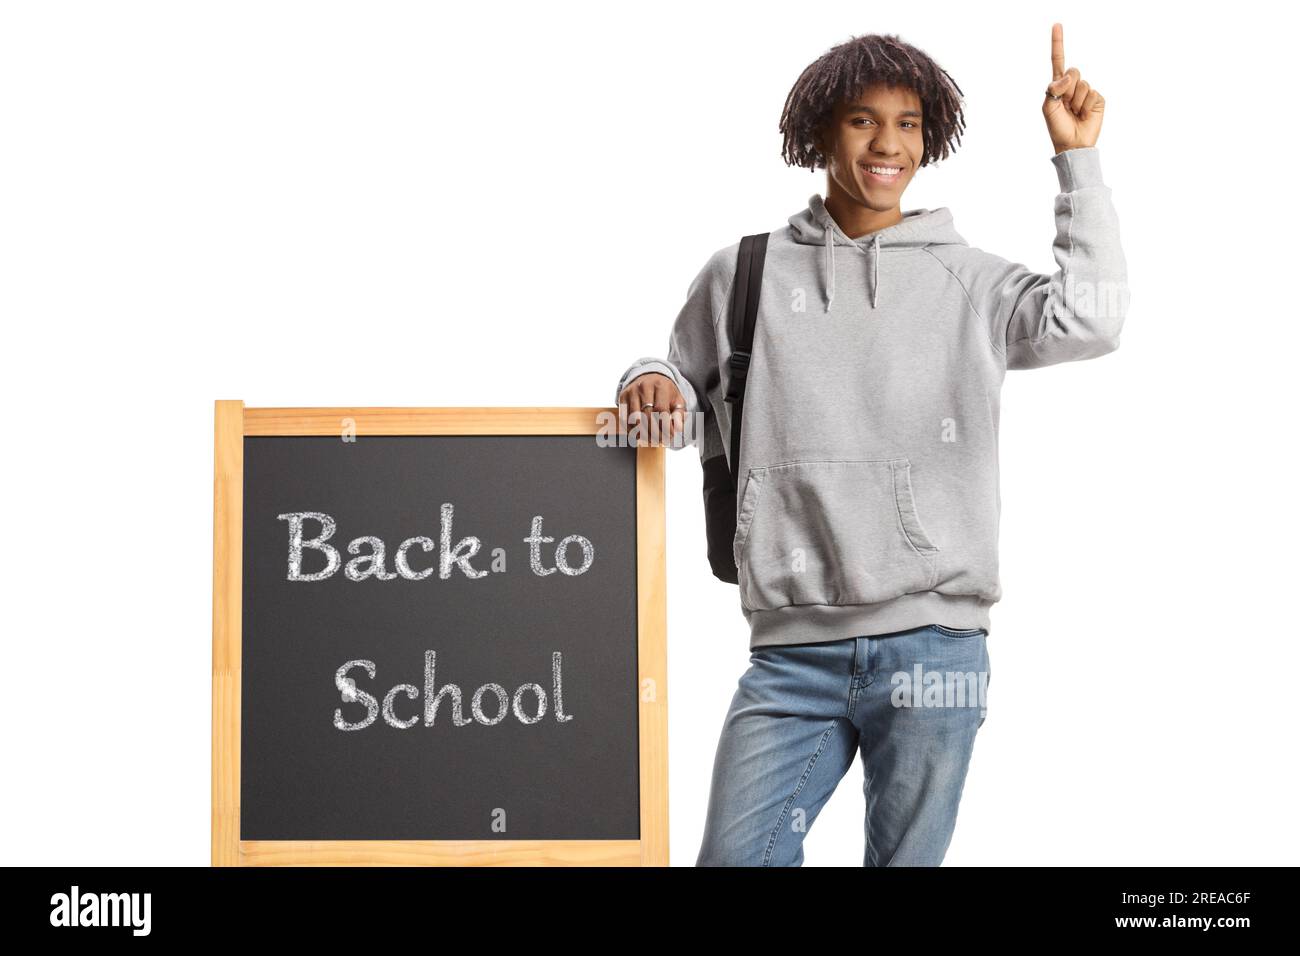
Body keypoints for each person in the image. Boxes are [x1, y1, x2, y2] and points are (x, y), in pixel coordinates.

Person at [614, 25, 1128, 866]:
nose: (889, 143)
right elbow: (672, 390)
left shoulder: (972, 280)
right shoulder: (743, 272)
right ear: (820, 131)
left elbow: (1093, 320)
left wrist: (1079, 165)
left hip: (936, 648)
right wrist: (645, 380)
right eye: (862, 120)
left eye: (909, 123)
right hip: (790, 654)